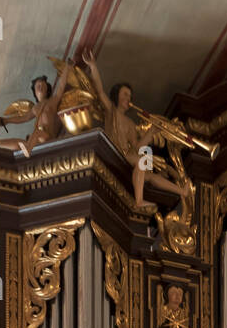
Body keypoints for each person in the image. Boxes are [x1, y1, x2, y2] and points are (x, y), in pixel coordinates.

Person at [80, 50, 191, 210]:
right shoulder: (111, 111)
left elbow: (138, 147)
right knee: (141, 161)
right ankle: (138, 201)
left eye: (130, 96)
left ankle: (182, 191)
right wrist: (93, 66)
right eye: (125, 94)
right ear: (117, 96)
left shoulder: (131, 123)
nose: (128, 99)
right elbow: (99, 91)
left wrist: (151, 132)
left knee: (150, 175)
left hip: (126, 155)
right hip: (113, 153)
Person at [0, 68, 70, 156]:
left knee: (36, 133)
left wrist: (67, 67)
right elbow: (23, 118)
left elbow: (61, 86)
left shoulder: (52, 101)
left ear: (47, 89)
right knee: (20, 143)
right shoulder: (35, 108)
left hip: (48, 136)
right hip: (38, 139)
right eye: (38, 86)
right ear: (35, 91)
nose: (40, 87)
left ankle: (28, 149)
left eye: (43, 85)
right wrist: (7, 121)